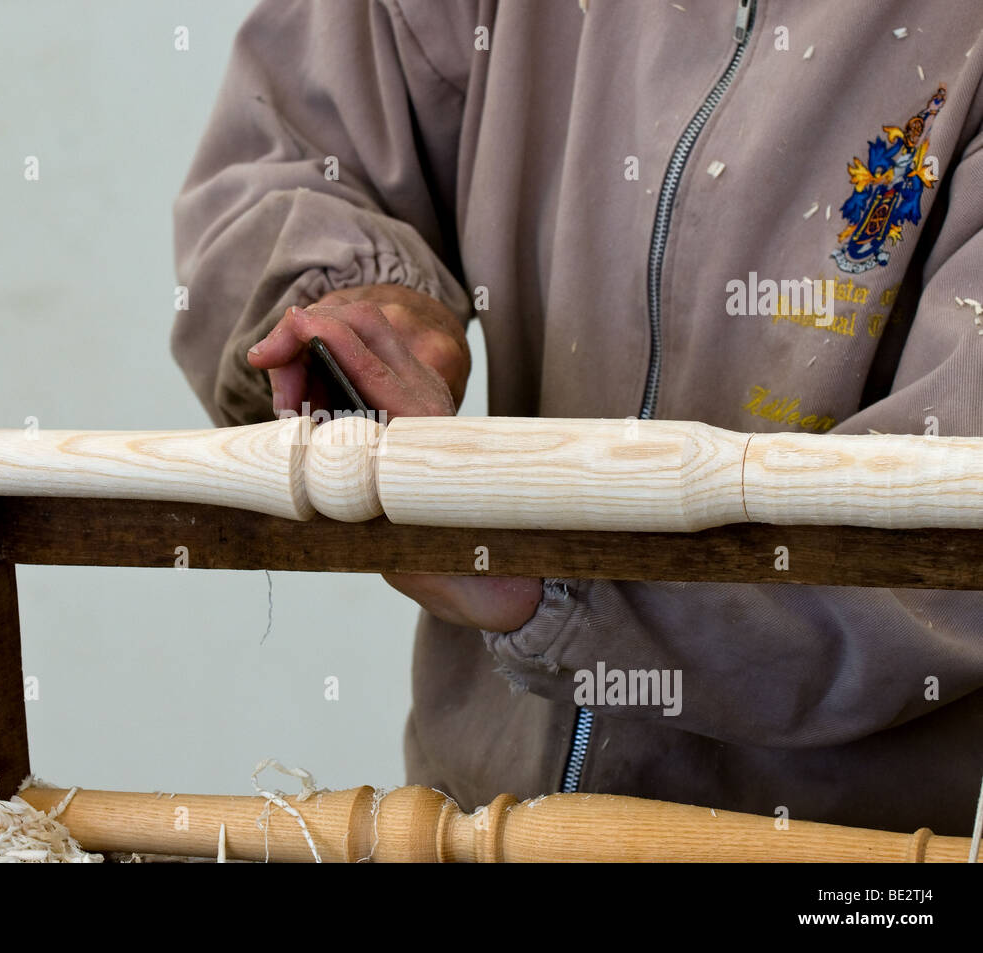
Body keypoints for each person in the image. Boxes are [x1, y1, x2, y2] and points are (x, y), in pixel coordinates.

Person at [172, 0, 983, 835]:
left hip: (842, 865)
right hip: (467, 831)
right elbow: (276, 165)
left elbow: (957, 523)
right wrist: (362, 314)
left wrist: (555, 579)